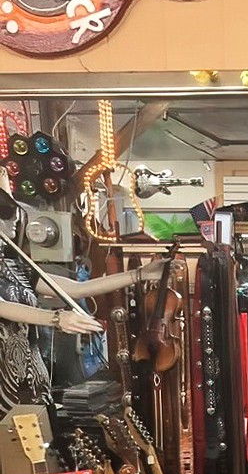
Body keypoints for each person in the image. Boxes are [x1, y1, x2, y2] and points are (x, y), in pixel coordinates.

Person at [0, 173, 167, 416]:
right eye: (6, 213)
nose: (16, 220)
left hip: (33, 386)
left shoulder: (14, 264)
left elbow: (75, 288)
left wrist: (139, 274)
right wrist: (56, 319)